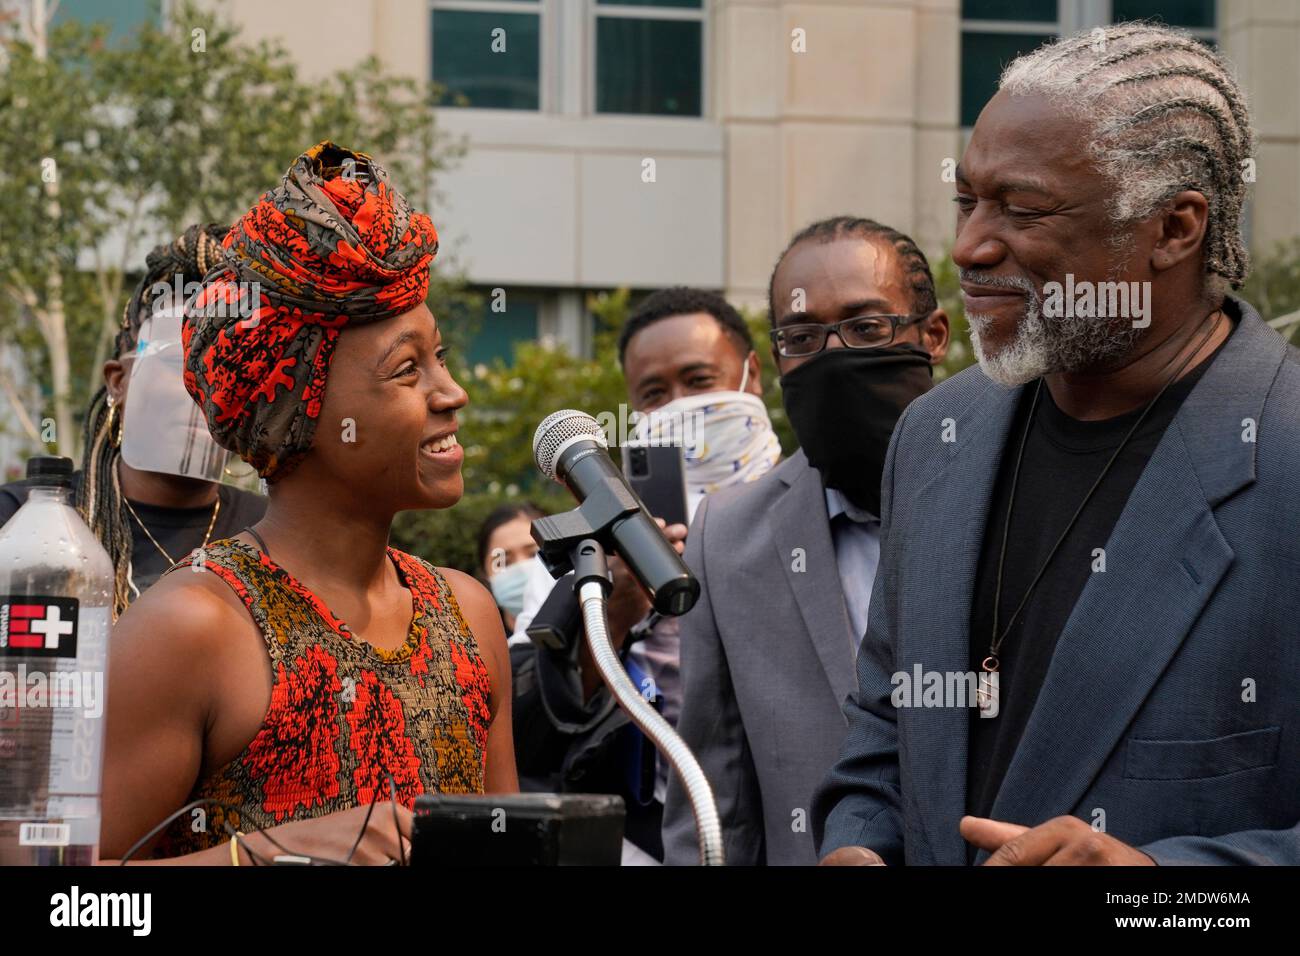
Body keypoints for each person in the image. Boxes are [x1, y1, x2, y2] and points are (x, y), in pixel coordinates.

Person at [816, 24, 1300, 866]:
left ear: (1175, 228)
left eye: (1025, 210)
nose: (969, 247)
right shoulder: (935, 437)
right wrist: (857, 845)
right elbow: (886, 739)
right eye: (968, 200)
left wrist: (1164, 887)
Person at [101, 142, 516, 865]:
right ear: (300, 407)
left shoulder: (468, 615)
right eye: (407, 370)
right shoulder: (193, 628)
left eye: (440, 358)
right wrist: (258, 856)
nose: (452, 394)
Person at [661, 217, 950, 865]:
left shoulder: (1011, 493)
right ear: (773, 361)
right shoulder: (729, 537)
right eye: (802, 337)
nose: (834, 357)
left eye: (867, 328)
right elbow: (715, 796)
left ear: (933, 336)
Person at [510, 286, 780, 862]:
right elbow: (530, 729)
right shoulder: (592, 551)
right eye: (655, 394)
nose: (680, 406)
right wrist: (617, 603)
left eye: (699, 380)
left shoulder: (813, 512)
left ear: (751, 375)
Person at [0, 225, 266, 617]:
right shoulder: (24, 521)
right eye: (179, 366)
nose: (202, 391)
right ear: (119, 381)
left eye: (226, 372)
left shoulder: (267, 534)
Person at [477, 501, 544, 633]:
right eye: (503, 562)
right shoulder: (479, 645)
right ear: (485, 574)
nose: (521, 568)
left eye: (534, 554)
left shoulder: (592, 627)